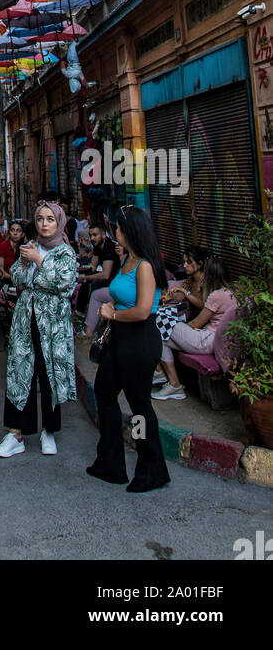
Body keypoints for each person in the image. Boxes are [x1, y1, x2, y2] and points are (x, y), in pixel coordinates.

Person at [87, 204, 170, 492]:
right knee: (104, 393)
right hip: (120, 338)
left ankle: (152, 469)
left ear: (130, 231)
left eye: (118, 229)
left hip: (139, 339)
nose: (115, 233)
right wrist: (112, 306)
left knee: (139, 405)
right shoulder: (128, 260)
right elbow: (124, 298)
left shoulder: (145, 265)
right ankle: (110, 462)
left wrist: (113, 314)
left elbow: (144, 310)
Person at [0, 203, 78, 458]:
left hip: (52, 323)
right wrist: (28, 264)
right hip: (25, 318)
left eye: (50, 219)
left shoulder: (66, 253)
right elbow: (16, 278)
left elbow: (64, 285)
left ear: (59, 223)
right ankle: (16, 433)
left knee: (48, 371)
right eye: (40, 219)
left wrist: (39, 262)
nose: (44, 224)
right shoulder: (29, 247)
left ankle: (48, 431)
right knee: (20, 370)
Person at [154, 253, 236, 401]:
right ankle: (173, 384)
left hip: (206, 341)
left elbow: (195, 324)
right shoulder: (233, 292)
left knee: (159, 319)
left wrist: (179, 326)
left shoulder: (216, 295)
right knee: (161, 336)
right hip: (216, 340)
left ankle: (165, 376)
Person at [78, 221, 120, 333]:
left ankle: (90, 327)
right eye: (90, 235)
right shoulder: (97, 246)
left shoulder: (109, 247)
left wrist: (86, 277)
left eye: (95, 235)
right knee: (86, 280)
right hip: (108, 278)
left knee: (94, 284)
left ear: (103, 235)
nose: (92, 238)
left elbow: (106, 275)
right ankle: (80, 314)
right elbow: (92, 266)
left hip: (113, 280)